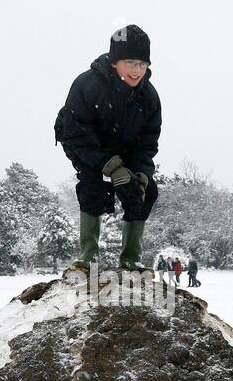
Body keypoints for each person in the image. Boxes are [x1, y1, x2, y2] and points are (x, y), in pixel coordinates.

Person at [55, 24, 160, 272]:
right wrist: (111, 167)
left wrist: (141, 175)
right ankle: (87, 259)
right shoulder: (87, 85)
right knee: (94, 187)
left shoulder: (150, 97)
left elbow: (147, 143)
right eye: (131, 63)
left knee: (142, 192)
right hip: (86, 147)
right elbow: (76, 134)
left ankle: (131, 260)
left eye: (142, 65)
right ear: (114, 62)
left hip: (126, 149)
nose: (137, 71)